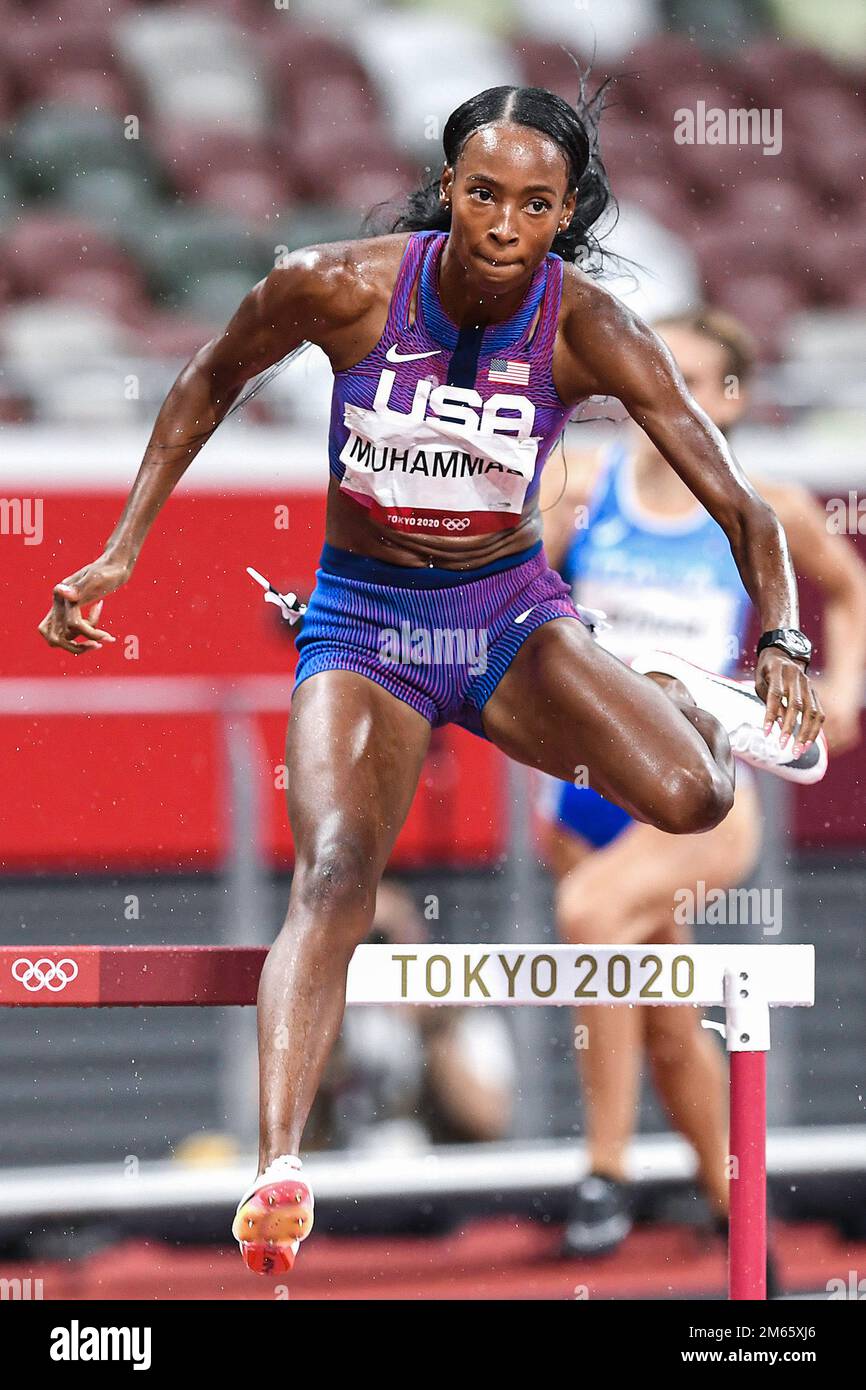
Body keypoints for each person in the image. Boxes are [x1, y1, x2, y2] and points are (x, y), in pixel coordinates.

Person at [38, 83, 827, 1276]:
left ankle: (669, 688)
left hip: (507, 618)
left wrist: (781, 640)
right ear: (447, 188)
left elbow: (737, 500)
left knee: (696, 799)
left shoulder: (590, 327)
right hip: (364, 624)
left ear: (566, 214)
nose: (503, 226)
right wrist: (120, 549)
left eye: (533, 205)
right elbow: (206, 379)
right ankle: (277, 1165)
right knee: (338, 866)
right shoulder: (334, 284)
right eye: (483, 194)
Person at [537, 307, 866, 1260]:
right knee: (669, 1020)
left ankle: (605, 1171)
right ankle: (736, 1211)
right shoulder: (584, 494)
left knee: (593, 918)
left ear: (730, 399)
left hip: (701, 800)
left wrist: (843, 689)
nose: (661, 394)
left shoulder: (764, 503)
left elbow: (845, 587)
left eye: (687, 376)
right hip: (587, 794)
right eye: (652, 371)